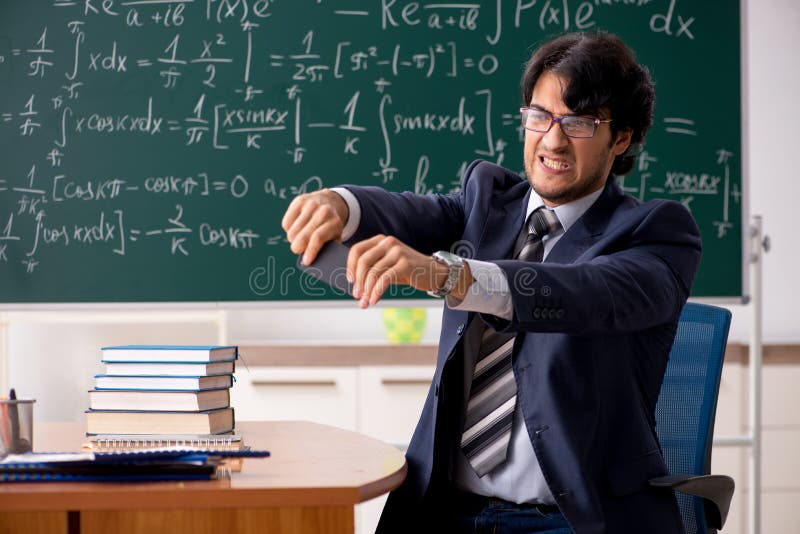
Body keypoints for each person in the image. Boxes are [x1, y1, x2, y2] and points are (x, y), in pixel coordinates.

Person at [282, 31, 700, 534]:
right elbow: (410, 212)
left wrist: (448, 274)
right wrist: (341, 204)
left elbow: (584, 293)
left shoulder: (655, 234)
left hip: (572, 519)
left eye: (580, 123)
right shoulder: (487, 199)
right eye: (540, 115)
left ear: (623, 138)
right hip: (447, 511)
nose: (553, 139)